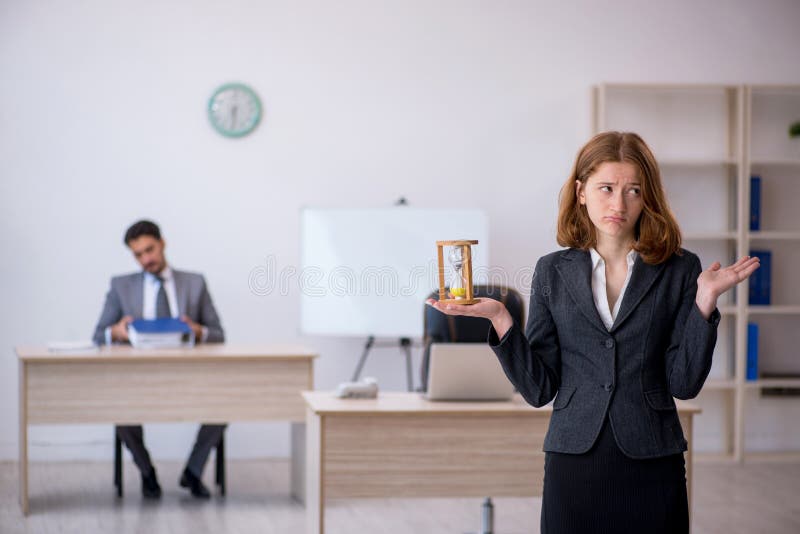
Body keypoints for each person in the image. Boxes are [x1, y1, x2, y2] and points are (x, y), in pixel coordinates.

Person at [427, 131, 759, 534]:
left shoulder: (681, 269)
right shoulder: (553, 270)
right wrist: (501, 319)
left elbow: (684, 383)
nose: (618, 204)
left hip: (652, 457)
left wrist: (704, 301)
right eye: (606, 188)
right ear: (582, 192)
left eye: (633, 190)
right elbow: (538, 389)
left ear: (647, 197)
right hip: (573, 457)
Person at [93, 219, 226, 500]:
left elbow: (218, 334)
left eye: (149, 250)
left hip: (189, 375)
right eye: (138, 254)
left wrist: (198, 330)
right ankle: (146, 472)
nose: (146, 259)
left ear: (162, 243)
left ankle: (193, 471)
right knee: (120, 413)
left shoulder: (194, 283)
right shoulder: (122, 286)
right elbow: (97, 335)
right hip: (137, 379)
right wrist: (115, 332)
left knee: (224, 406)